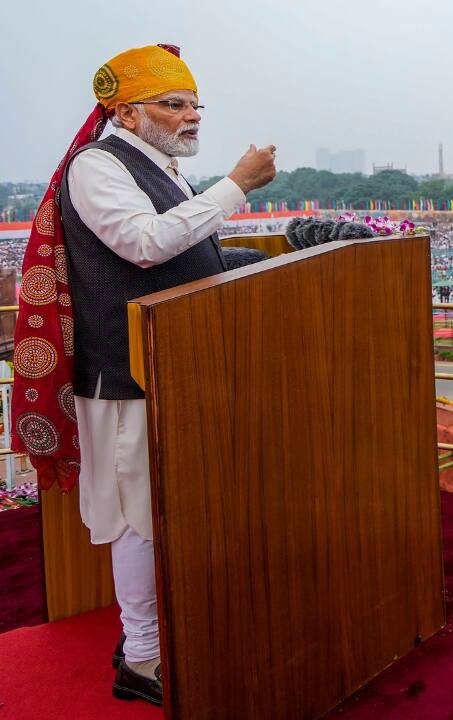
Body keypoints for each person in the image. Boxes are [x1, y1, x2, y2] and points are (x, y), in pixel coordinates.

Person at [13, 44, 277, 707]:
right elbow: (146, 244)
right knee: (138, 521)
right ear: (126, 112)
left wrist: (292, 243)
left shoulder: (159, 168)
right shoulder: (97, 167)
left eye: (195, 105)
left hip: (175, 368)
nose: (192, 117)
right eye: (175, 104)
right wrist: (237, 184)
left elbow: (191, 256)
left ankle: (157, 641)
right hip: (127, 374)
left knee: (166, 515)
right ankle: (142, 659)